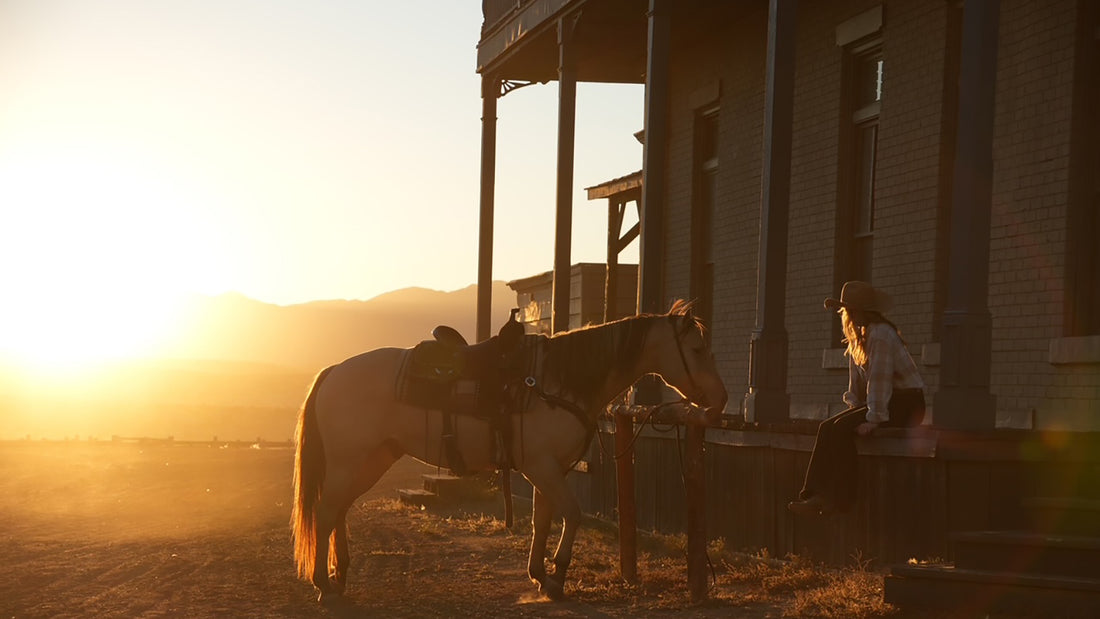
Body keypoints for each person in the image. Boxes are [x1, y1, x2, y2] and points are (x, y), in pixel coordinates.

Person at [788, 281, 926, 516]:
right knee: (827, 427)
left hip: (907, 403)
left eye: (849, 311)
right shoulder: (860, 336)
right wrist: (854, 410)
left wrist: (874, 418)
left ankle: (842, 500)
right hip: (886, 400)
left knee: (840, 429)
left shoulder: (881, 334)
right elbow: (857, 385)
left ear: (861, 311)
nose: (847, 316)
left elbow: (880, 379)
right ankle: (813, 495)